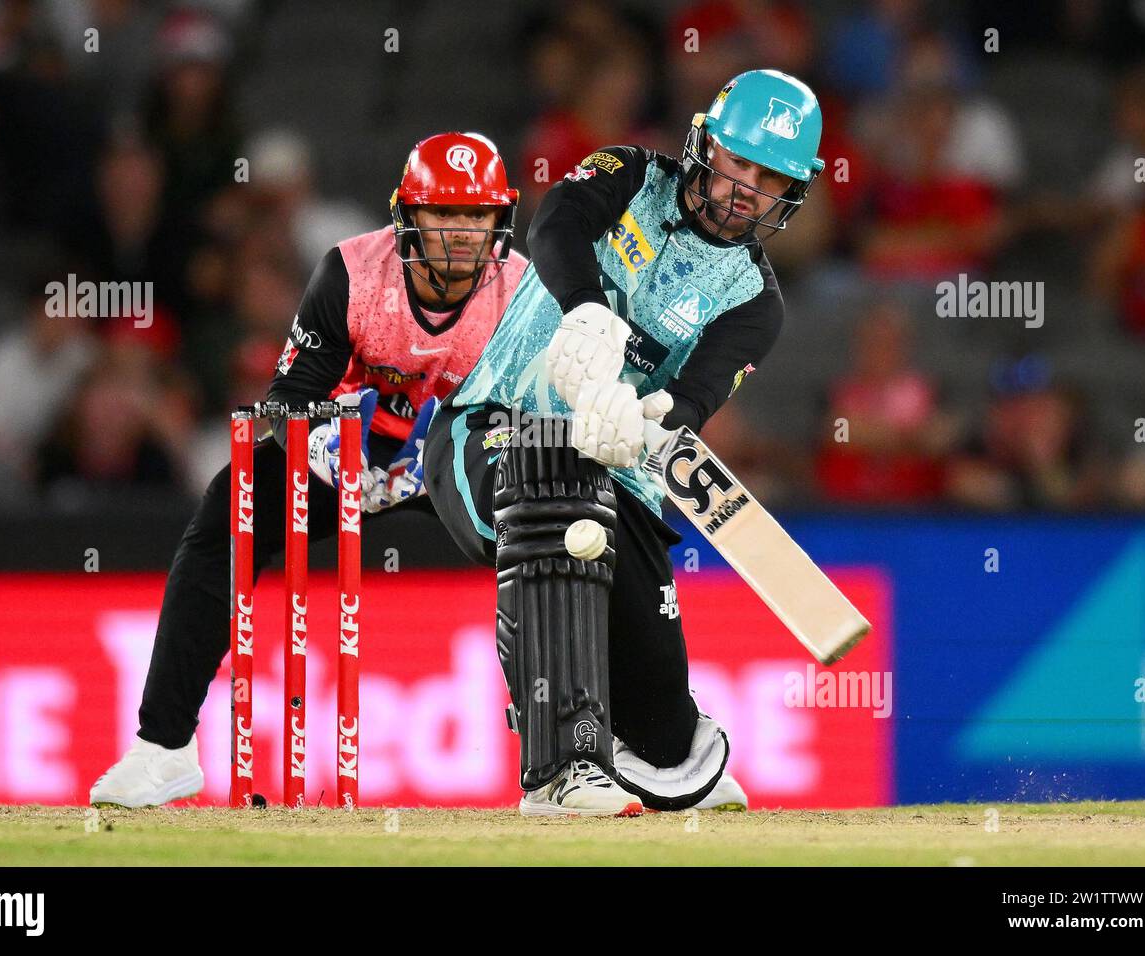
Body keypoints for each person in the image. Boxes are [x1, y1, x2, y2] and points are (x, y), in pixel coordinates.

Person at [425, 70, 824, 816]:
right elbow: (555, 224)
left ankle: (653, 745)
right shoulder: (631, 174)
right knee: (558, 489)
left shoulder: (755, 304)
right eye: (740, 162)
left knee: (667, 741)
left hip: (618, 478)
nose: (748, 190)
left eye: (772, 179)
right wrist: (585, 309)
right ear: (705, 145)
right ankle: (560, 768)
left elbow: (691, 405)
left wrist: (643, 422)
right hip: (486, 433)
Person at [90, 132, 527, 807]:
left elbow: (530, 416)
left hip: (456, 454)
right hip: (349, 448)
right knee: (232, 506)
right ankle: (163, 749)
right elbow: (291, 396)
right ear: (409, 214)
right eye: (444, 212)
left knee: (563, 525)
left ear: (500, 218)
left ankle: (588, 750)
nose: (462, 233)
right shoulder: (352, 272)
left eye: (478, 214)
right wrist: (325, 448)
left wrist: (455, 459)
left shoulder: (525, 293)